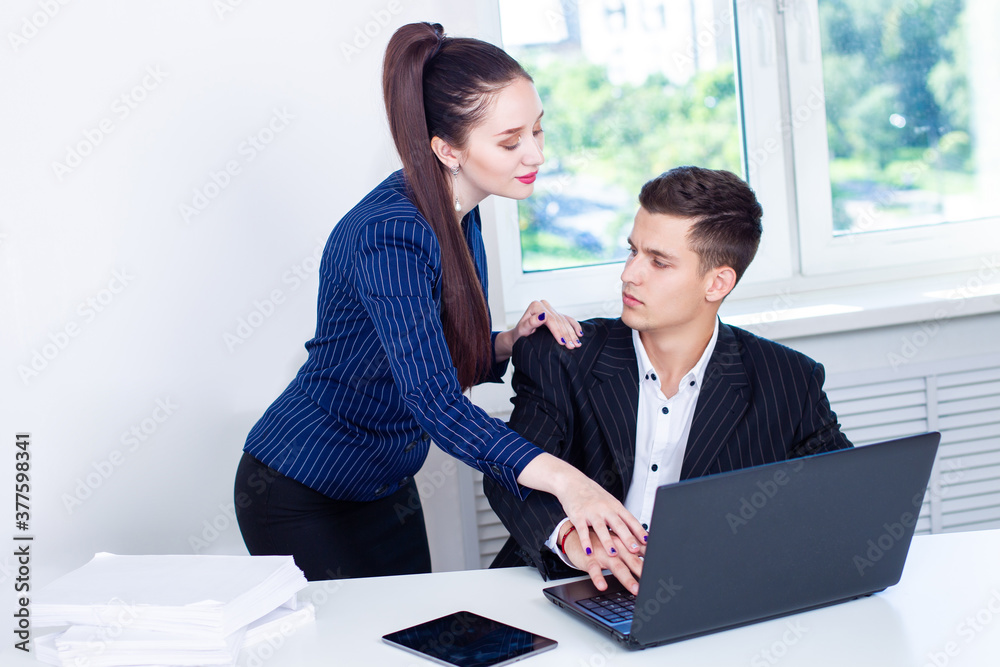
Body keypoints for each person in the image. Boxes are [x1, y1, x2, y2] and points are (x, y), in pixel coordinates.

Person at [233, 22, 645, 581]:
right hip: (302, 489)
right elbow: (434, 400)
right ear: (447, 148)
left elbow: (436, 355)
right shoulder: (393, 233)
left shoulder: (457, 210)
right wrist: (568, 481)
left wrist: (509, 342)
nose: (536, 154)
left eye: (538, 131)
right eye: (510, 141)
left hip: (385, 483)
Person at [485, 166, 853, 595]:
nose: (629, 274)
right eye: (632, 251)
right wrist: (572, 539)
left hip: (708, 593)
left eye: (658, 262)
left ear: (717, 282)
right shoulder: (561, 356)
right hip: (571, 583)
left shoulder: (790, 380)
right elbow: (507, 470)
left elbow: (842, 502)